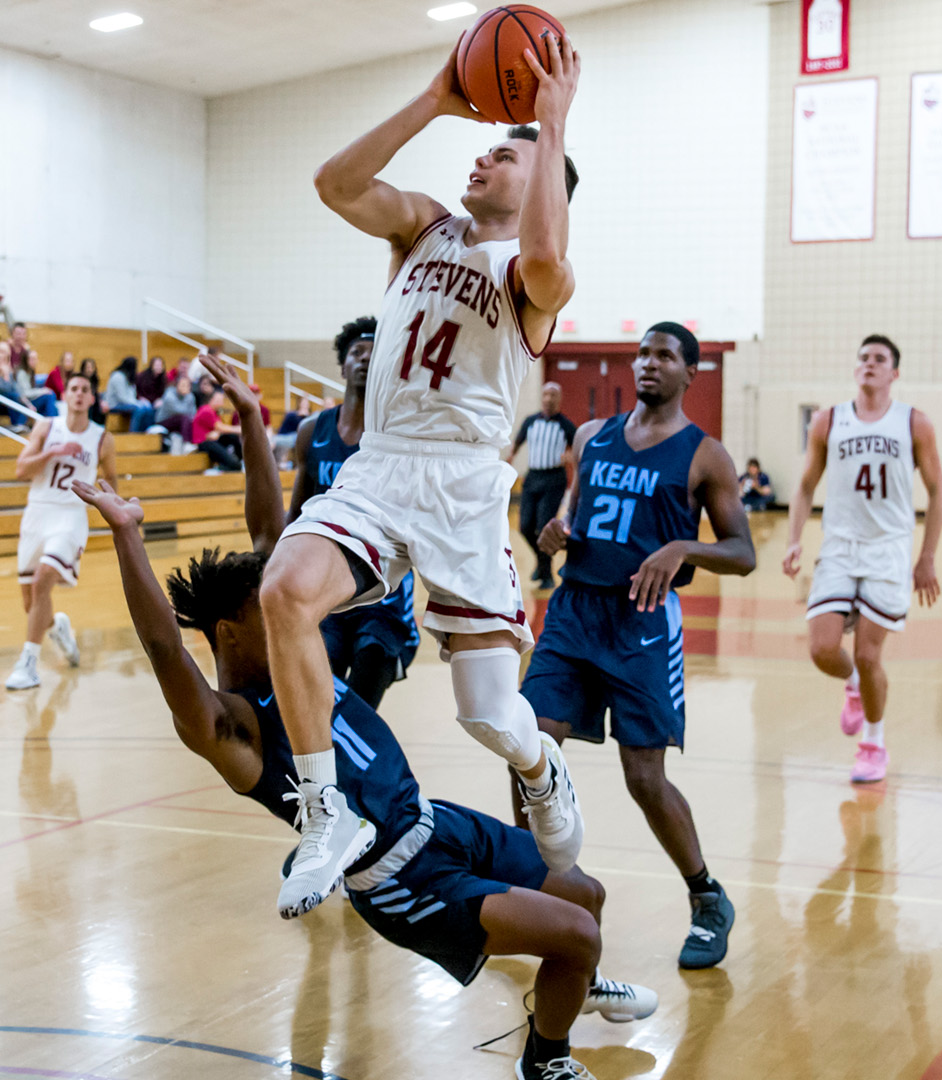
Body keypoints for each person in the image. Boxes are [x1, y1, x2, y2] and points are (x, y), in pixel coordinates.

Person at [70, 375, 657, 1080]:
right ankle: (547, 1060)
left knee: (585, 893)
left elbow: (271, 534)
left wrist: (253, 417)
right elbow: (166, 648)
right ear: (228, 632)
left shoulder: (295, 652)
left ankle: (574, 983)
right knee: (577, 934)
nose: (291, 608)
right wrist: (126, 533)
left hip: (435, 821)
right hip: (400, 880)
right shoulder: (233, 728)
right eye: (265, 609)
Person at [261, 31, 587, 918]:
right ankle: (325, 811)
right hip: (382, 465)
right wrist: (437, 101)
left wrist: (551, 123)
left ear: (545, 182)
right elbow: (335, 184)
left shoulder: (535, 279)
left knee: (486, 714)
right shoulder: (423, 226)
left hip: (462, 486)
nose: (484, 157)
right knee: (284, 591)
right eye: (488, 148)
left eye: (507, 154)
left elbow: (548, 260)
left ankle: (540, 765)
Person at [524, 322, 757, 971]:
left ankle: (707, 897)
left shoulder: (705, 455)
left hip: (643, 624)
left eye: (665, 355)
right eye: (643, 354)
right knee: (529, 746)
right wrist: (559, 529)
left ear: (689, 372)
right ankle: (537, 885)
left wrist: (683, 547)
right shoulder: (590, 436)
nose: (649, 363)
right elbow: (574, 509)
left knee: (644, 778)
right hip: (573, 612)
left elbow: (743, 552)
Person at [781, 334, 942, 784]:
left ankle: (873, 744)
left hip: (888, 549)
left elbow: (937, 491)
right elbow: (805, 486)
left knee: (870, 655)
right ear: (856, 369)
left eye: (879, 359)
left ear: (895, 373)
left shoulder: (914, 423)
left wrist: (927, 557)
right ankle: (852, 683)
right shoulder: (828, 421)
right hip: (839, 546)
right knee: (822, 649)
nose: (870, 364)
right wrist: (794, 539)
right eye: (864, 358)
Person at [286, 320, 419, 710]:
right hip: (325, 594)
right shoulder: (312, 431)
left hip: (382, 594)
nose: (364, 359)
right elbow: (296, 515)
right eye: (356, 353)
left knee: (359, 706)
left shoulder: (398, 433)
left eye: (373, 354)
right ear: (342, 366)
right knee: (319, 704)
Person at [4, 372, 117, 690]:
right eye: (73, 389)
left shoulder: (102, 438)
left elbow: (111, 479)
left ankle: (28, 663)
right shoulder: (46, 427)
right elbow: (21, 469)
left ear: (92, 398)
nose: (79, 394)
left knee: (42, 581)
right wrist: (53, 452)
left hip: (70, 516)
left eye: (85, 390)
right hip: (37, 513)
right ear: (65, 395)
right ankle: (58, 629)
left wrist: (117, 516)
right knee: (31, 602)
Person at [512, 383, 578, 589]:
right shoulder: (530, 422)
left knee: (543, 527)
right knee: (524, 526)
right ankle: (542, 565)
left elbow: (579, 450)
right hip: (532, 477)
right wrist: (508, 461)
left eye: (553, 395)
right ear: (541, 397)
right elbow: (516, 444)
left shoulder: (566, 425)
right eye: (546, 394)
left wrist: (570, 456)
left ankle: (547, 575)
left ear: (559, 399)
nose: (549, 398)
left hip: (554, 479)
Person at [191, 389, 243, 473]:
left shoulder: (214, 412)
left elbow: (218, 430)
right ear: (212, 399)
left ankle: (241, 459)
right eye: (219, 399)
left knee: (232, 437)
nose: (222, 402)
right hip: (204, 443)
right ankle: (224, 467)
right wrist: (240, 429)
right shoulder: (206, 410)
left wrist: (217, 432)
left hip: (213, 440)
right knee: (234, 465)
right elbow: (221, 428)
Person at [103, 356, 156, 432]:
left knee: (148, 407)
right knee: (139, 409)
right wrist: (137, 403)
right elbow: (122, 397)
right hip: (115, 404)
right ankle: (133, 432)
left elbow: (132, 395)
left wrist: (139, 402)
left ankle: (145, 432)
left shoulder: (128, 377)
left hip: (127, 403)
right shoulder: (117, 376)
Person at [155, 368, 198, 446]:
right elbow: (180, 411)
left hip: (179, 422)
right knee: (185, 418)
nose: (185, 388)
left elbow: (193, 413)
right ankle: (186, 443)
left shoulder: (190, 396)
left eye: (188, 385)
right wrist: (188, 399)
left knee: (191, 420)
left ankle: (196, 443)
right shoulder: (169, 395)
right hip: (163, 422)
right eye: (183, 385)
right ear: (177, 385)